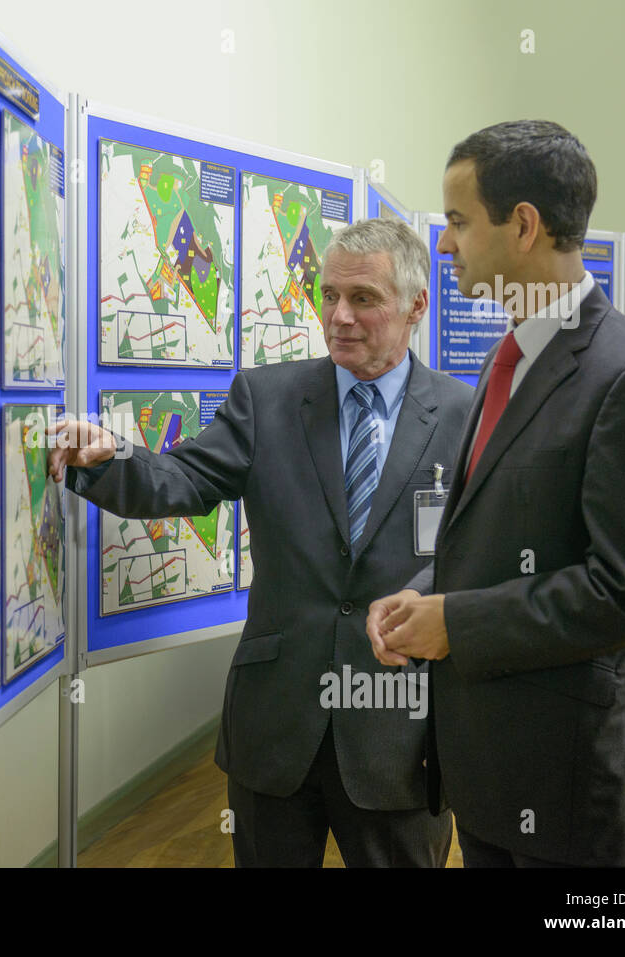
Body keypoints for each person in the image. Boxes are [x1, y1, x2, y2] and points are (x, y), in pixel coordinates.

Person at [48, 218, 474, 866]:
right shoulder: (269, 397)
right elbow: (184, 479)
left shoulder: (464, 416)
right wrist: (109, 459)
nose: (339, 316)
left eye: (363, 298)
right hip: (276, 727)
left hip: (400, 732)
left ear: (416, 305)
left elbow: (480, 560)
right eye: (329, 294)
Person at [367, 120, 625, 868]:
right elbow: (495, 533)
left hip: (569, 790)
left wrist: (456, 622)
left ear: (523, 225)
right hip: (488, 771)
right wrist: (423, 594)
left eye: (457, 221)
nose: (443, 245)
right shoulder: (505, 358)